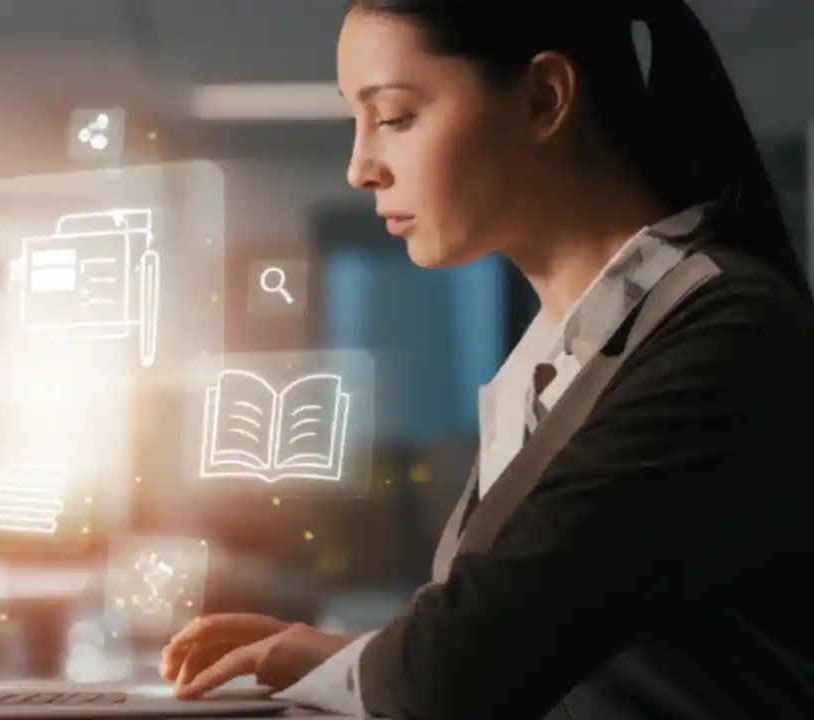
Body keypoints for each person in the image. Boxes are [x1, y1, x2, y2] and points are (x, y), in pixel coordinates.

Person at [160, 1, 814, 718]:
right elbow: (542, 637)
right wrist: (337, 654)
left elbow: (449, 679)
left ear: (542, 100)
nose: (360, 168)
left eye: (396, 117)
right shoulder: (570, 350)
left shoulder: (722, 332)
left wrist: (378, 666)